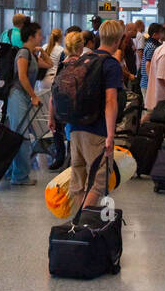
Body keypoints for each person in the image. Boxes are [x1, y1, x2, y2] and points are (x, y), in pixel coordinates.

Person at [65, 19, 125, 212]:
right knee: (99, 179)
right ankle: (82, 221)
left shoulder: (84, 59)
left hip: (75, 127)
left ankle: (79, 222)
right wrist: (110, 135)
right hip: (96, 130)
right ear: (117, 40)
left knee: (79, 178)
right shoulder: (110, 64)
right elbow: (110, 101)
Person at [4, 20, 45, 186]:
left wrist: (42, 51)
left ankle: (13, 172)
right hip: (17, 96)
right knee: (20, 135)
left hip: (22, 96)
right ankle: (19, 176)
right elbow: (21, 77)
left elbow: (49, 64)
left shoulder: (31, 53)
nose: (41, 37)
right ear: (31, 36)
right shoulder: (23, 53)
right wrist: (33, 96)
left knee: (18, 134)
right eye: (39, 35)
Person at [47, 29, 86, 173]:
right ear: (81, 47)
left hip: (60, 111)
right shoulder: (85, 65)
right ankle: (70, 166)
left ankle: (61, 159)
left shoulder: (62, 65)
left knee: (60, 134)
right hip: (78, 114)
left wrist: (51, 117)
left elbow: (53, 93)